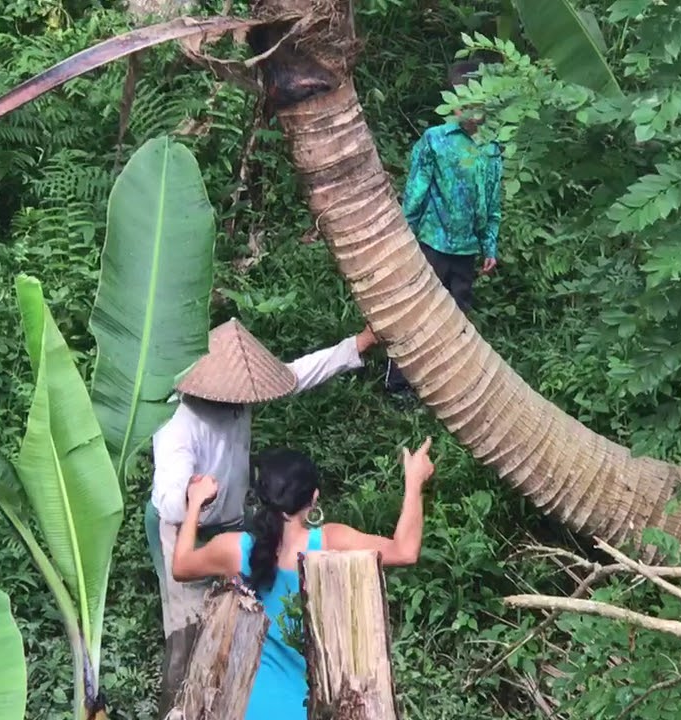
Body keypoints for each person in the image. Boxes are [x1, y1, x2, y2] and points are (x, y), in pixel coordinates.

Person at [147, 317, 379, 713]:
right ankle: (181, 706)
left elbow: (295, 375)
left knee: (238, 624)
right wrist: (193, 494)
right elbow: (169, 499)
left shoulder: (239, 396)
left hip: (232, 524)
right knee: (187, 632)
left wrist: (357, 344)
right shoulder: (177, 424)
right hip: (182, 528)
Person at [171, 438, 436, 720]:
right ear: (314, 499)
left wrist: (196, 503)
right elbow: (405, 551)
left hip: (245, 706)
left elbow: (181, 566)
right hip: (304, 709)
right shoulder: (330, 542)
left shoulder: (235, 550)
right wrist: (414, 483)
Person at [385, 58, 504, 394]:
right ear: (455, 100)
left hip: (467, 250)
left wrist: (489, 244)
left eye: (483, 101)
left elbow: (492, 200)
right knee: (417, 313)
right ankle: (399, 383)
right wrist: (404, 237)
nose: (477, 110)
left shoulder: (492, 146)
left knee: (459, 313)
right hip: (432, 245)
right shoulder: (435, 140)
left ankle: (447, 381)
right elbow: (416, 193)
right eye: (470, 101)